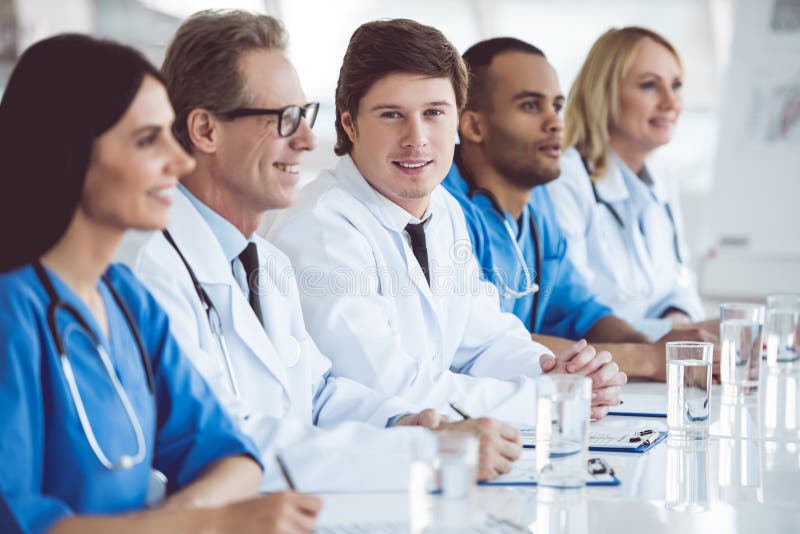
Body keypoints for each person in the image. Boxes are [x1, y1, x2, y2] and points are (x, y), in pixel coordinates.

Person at [117, 9, 522, 489]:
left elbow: (319, 393)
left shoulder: (263, 262)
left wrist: (401, 424)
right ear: (206, 131)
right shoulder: (148, 269)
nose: (308, 141)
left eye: (304, 115)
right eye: (284, 119)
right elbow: (225, 440)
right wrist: (422, 454)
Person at [0, 34, 321, 534]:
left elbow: (233, 456)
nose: (182, 160)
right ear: (70, 150)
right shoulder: (11, 313)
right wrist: (207, 524)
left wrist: (174, 523)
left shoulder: (127, 300)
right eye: (149, 140)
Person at [269, 19, 626, 425]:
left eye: (434, 112)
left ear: (458, 119)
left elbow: (484, 339)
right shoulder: (319, 229)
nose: (416, 137)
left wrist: (561, 375)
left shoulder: (443, 208)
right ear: (350, 124)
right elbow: (389, 387)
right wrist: (548, 400)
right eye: (391, 115)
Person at [443, 37, 717, 381]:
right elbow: (479, 343)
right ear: (473, 126)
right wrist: (647, 358)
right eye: (530, 106)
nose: (555, 123)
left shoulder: (538, 204)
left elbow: (579, 312)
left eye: (557, 107)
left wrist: (657, 347)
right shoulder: (442, 209)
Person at [547, 26, 710, 341]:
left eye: (676, 86)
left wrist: (679, 323)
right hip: (606, 362)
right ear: (604, 94)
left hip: (654, 361)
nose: (670, 102)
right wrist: (675, 335)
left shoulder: (662, 184)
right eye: (650, 85)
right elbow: (573, 312)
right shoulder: (564, 181)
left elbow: (680, 284)